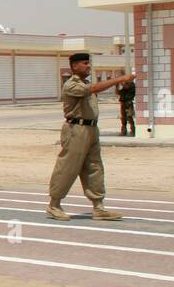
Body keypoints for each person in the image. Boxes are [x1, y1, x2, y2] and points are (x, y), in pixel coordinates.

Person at [47, 54, 135, 221]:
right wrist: (119, 79)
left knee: (94, 167)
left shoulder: (86, 83)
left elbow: (93, 89)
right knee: (68, 167)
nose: (88, 66)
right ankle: (54, 204)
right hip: (76, 129)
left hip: (91, 129)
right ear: (74, 66)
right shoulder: (71, 84)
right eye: (85, 63)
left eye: (89, 63)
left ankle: (98, 207)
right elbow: (92, 90)